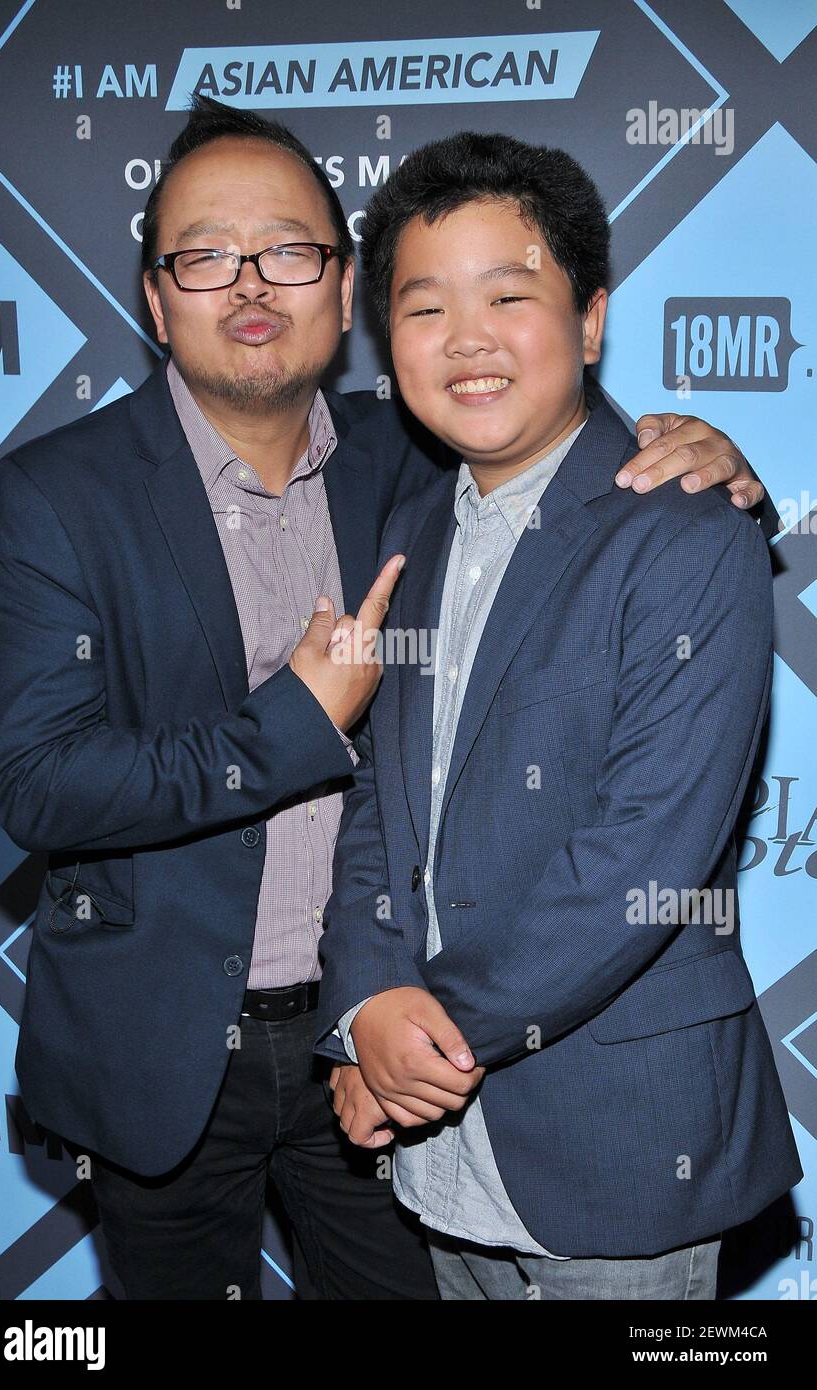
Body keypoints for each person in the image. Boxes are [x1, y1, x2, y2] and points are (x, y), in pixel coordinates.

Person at [0, 95, 774, 1302]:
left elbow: (567, 464)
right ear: (153, 297)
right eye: (203, 255)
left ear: (340, 292)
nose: (251, 284)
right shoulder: (52, 494)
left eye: (290, 251)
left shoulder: (409, 460)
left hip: (386, 1052)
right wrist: (289, 723)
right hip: (166, 1056)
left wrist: (722, 468)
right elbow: (37, 782)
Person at [316, 132, 802, 1301]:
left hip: (615, 1138)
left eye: (508, 294)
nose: (467, 338)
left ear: (589, 322)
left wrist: (407, 1053)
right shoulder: (416, 530)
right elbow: (378, 800)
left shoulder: (685, 526)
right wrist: (361, 1008)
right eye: (424, 307)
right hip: (444, 1148)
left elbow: (643, 850)